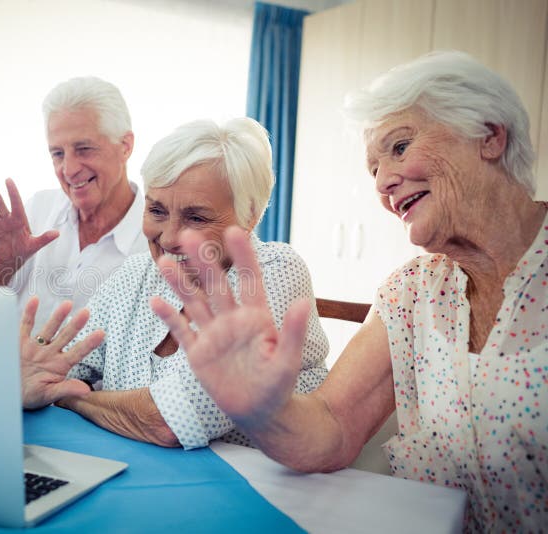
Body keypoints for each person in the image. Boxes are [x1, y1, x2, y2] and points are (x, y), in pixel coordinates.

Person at [150, 51, 547, 532]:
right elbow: (331, 428)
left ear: (489, 137)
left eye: (399, 147)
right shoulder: (412, 292)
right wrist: (261, 409)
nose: (382, 182)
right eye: (373, 168)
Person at [20, 117, 329, 449]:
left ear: (249, 215)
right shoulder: (136, 273)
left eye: (196, 218)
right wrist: (35, 376)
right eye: (156, 210)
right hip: (135, 467)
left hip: (262, 484)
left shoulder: (274, 272)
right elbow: (58, 371)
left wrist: (73, 399)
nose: (167, 238)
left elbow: (172, 421)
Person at [0, 77, 148, 330]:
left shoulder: (154, 242)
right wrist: (2, 265)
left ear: (125, 146)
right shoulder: (36, 211)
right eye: (58, 154)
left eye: (84, 149)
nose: (68, 170)